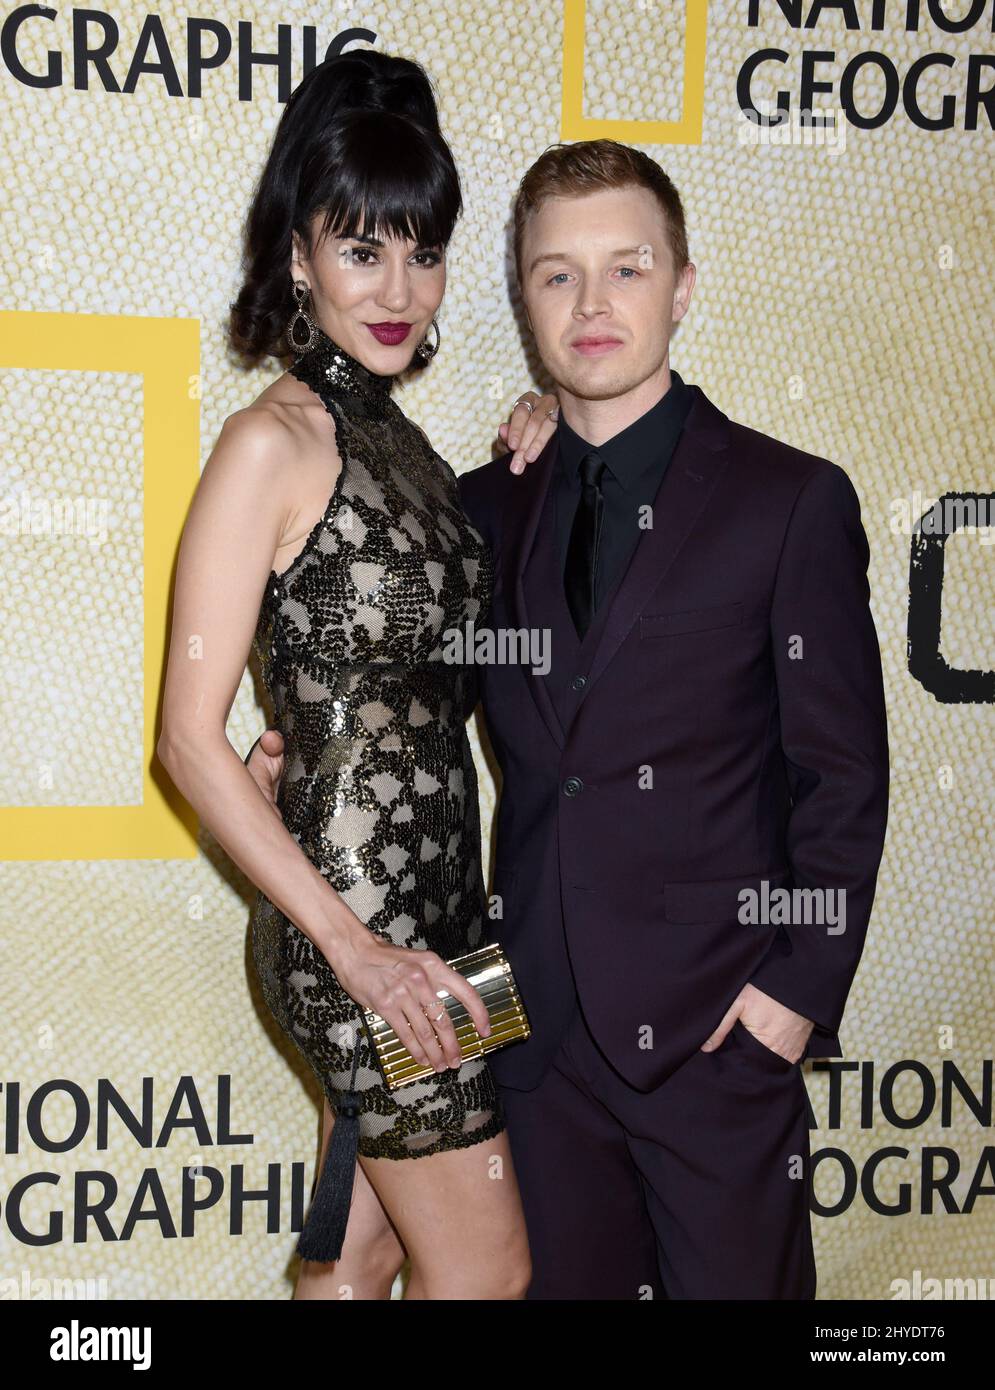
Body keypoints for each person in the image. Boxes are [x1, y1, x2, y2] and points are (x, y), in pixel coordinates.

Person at [249, 137, 890, 1299]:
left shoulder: (786, 499)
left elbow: (841, 781)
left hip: (717, 1042)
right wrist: (280, 760)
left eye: (627, 268)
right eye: (556, 274)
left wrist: (785, 1009)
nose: (591, 304)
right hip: (527, 1044)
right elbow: (388, 705)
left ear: (682, 287)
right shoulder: (479, 508)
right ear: (522, 296)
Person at [157, 50, 558, 1300]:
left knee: (359, 1254)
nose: (398, 289)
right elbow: (184, 737)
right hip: (357, 929)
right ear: (297, 257)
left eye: (421, 251)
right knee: (487, 1275)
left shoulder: (411, 445)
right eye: (359, 250)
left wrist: (542, 429)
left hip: (450, 921)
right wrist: (352, 950)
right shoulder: (266, 441)